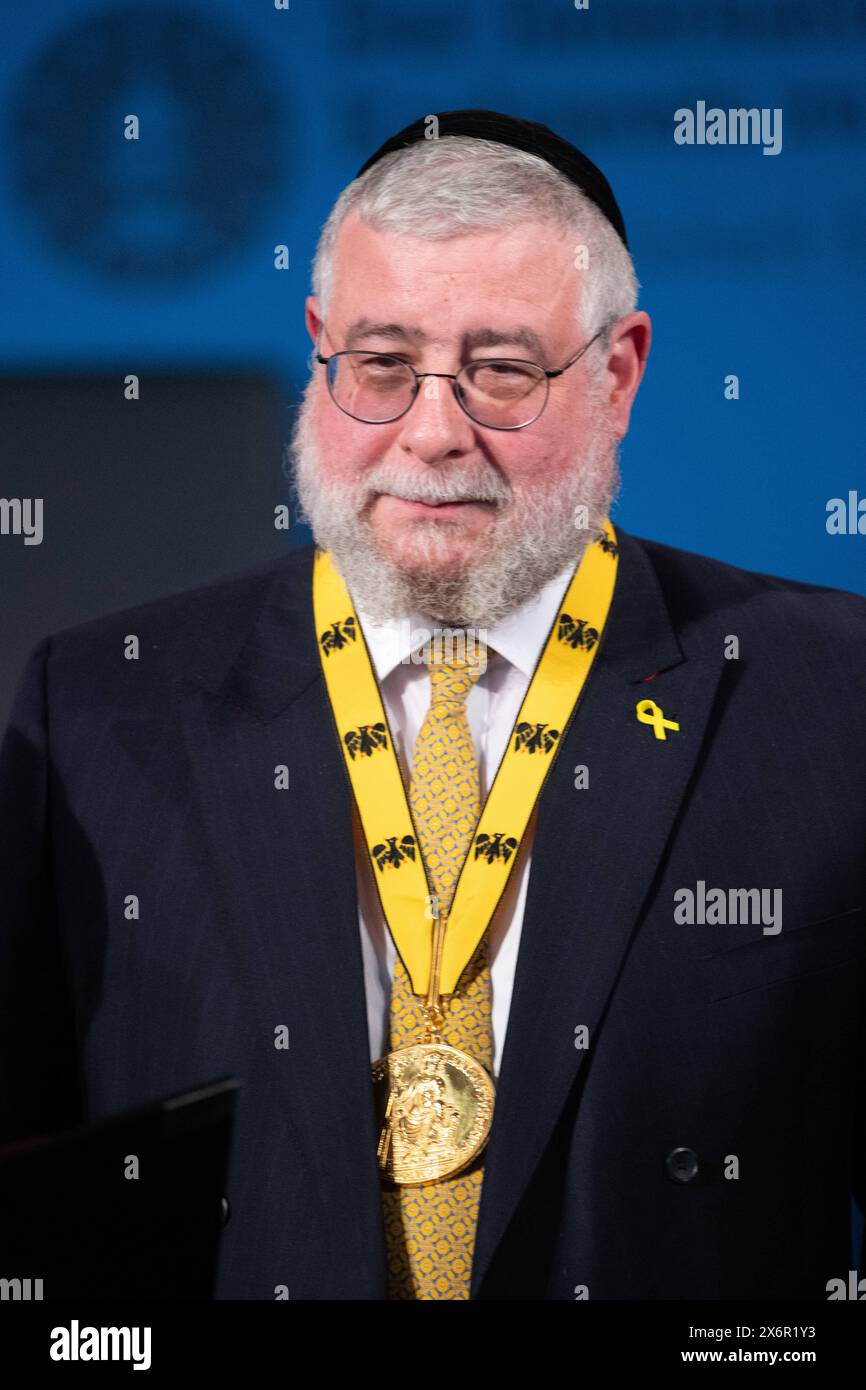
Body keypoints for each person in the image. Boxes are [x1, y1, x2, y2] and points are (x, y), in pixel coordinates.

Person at [1, 109, 864, 1302]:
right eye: (381, 363)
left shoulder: (829, 695)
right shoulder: (94, 711)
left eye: (501, 370)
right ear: (318, 348)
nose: (432, 431)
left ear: (617, 374)